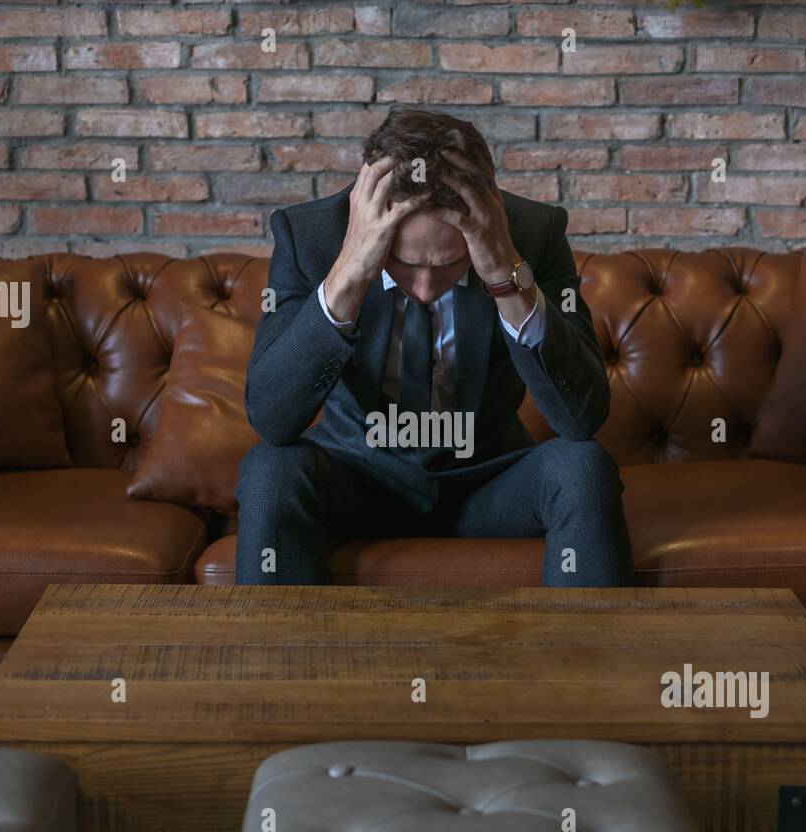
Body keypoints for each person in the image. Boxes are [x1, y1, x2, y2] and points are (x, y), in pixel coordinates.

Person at [236, 107, 634, 586]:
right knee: (270, 468)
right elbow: (272, 419)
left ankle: (591, 659)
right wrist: (349, 274)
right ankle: (280, 661)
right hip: (358, 478)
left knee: (583, 467)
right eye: (403, 264)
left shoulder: (531, 234)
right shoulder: (311, 237)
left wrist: (508, 280)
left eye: (448, 265)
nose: (424, 289)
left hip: (486, 483)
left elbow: (581, 419)